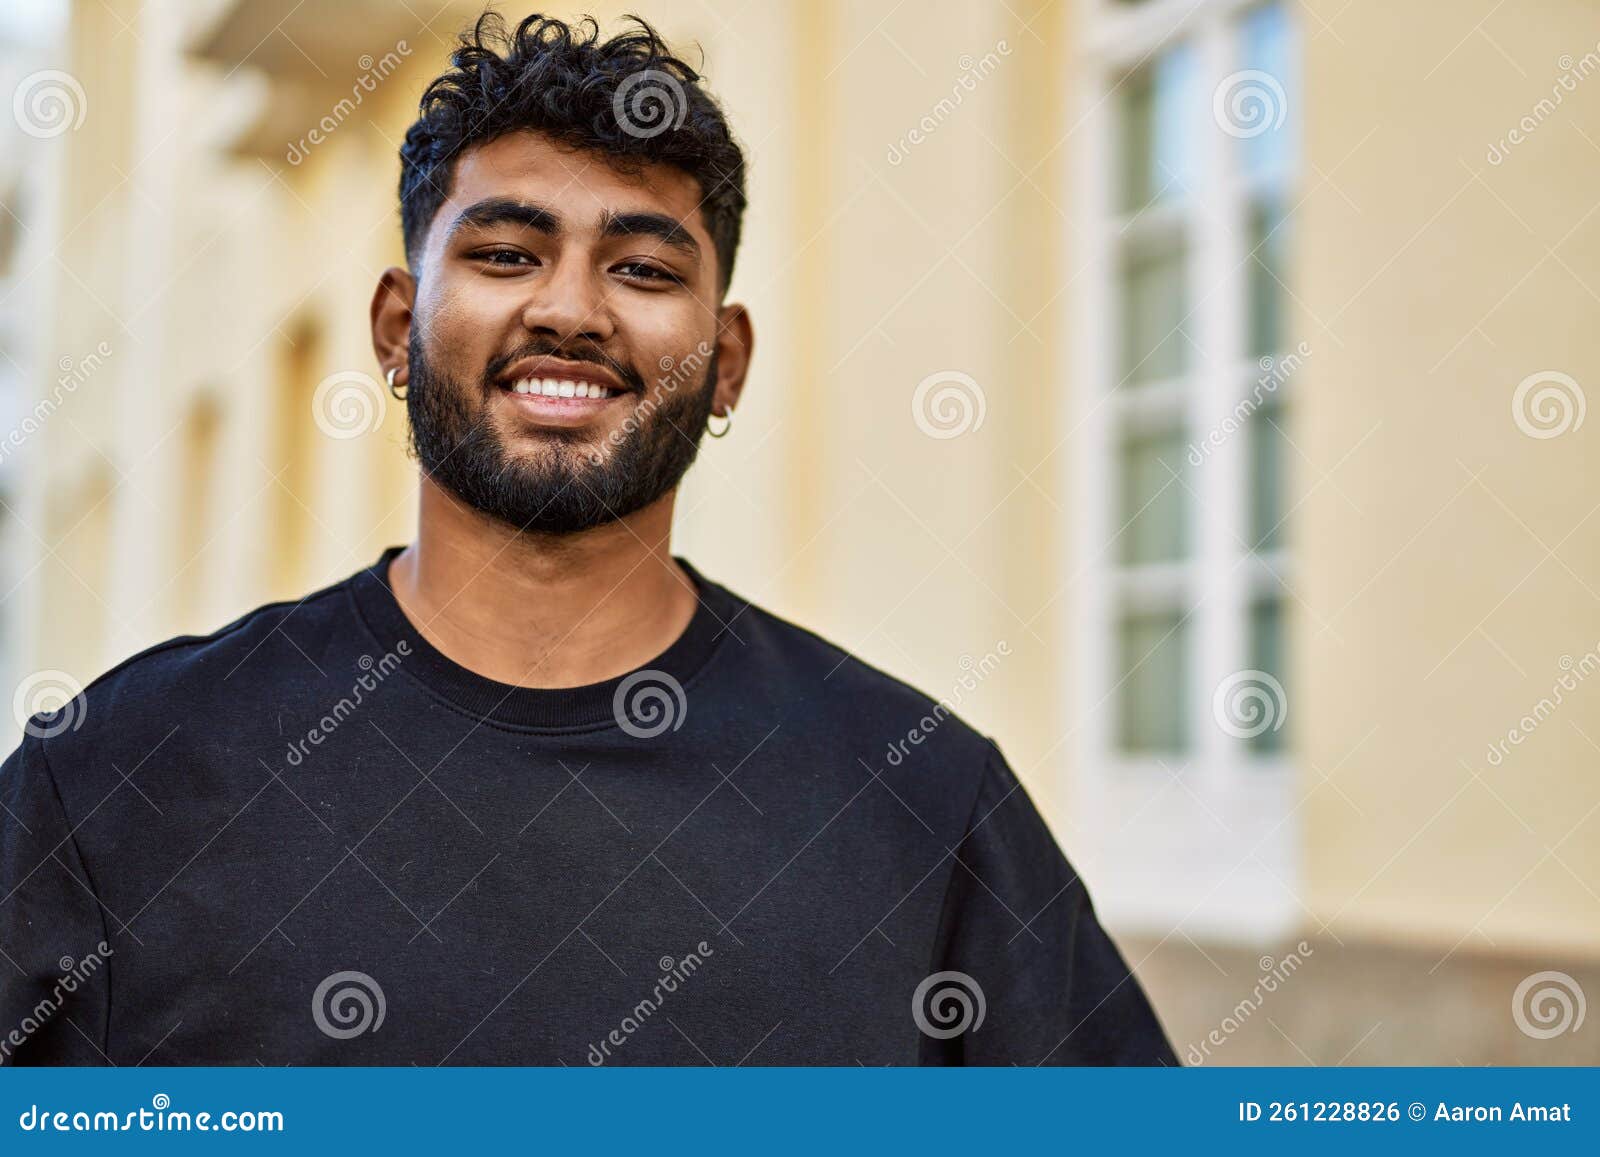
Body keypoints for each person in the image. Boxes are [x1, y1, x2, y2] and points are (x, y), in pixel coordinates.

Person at [0, 11, 1173, 1066]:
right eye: (506, 253)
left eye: (644, 268)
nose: (568, 309)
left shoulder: (921, 799)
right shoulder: (122, 776)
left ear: (726, 363)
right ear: (398, 330)